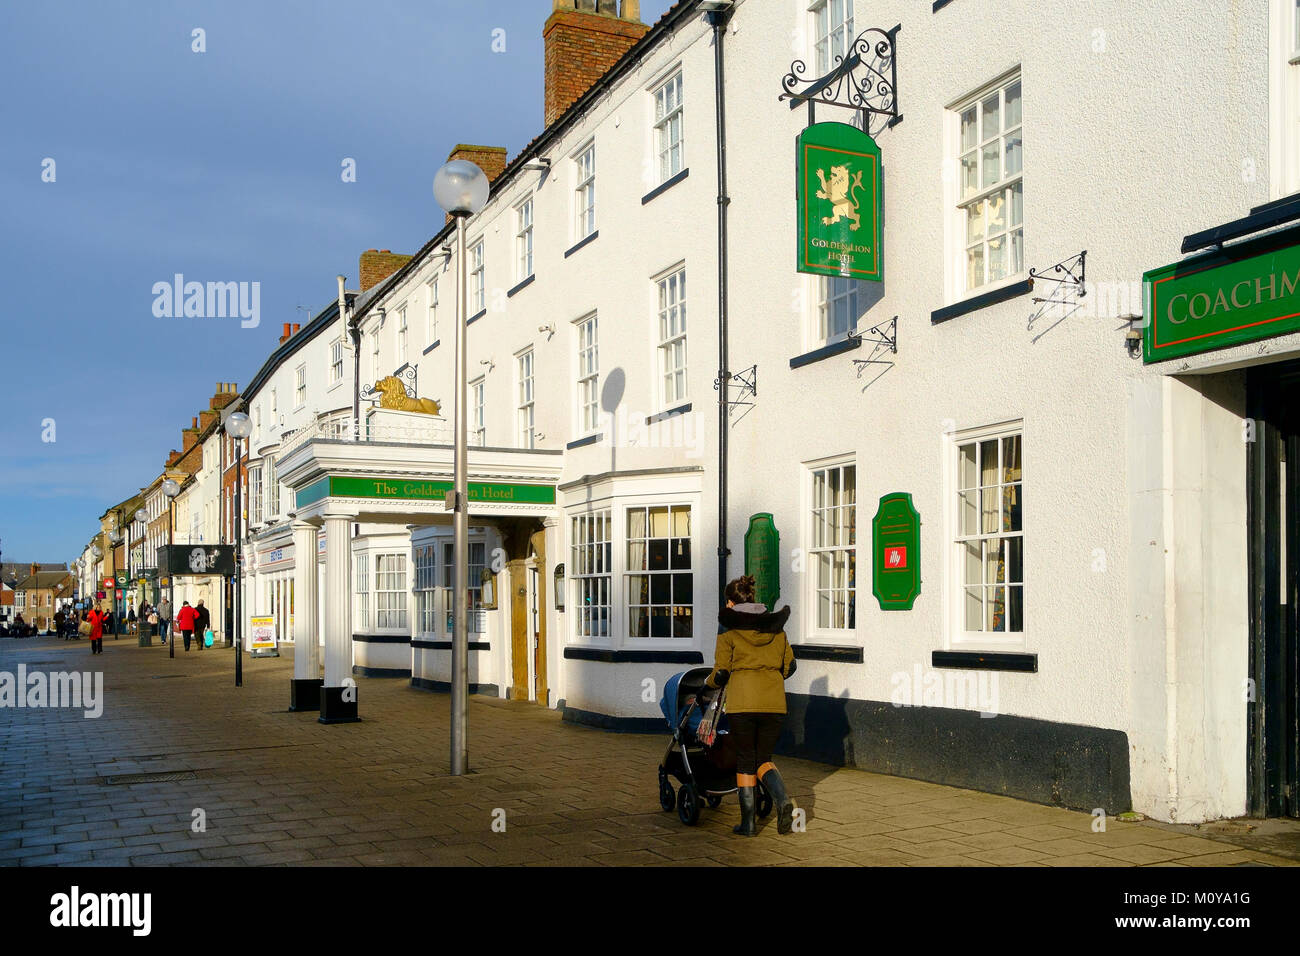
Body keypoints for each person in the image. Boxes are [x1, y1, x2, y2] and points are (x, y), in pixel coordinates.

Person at [705, 575, 797, 837]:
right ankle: (781, 800)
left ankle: (748, 824)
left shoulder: (729, 632)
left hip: (743, 703)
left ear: (731, 603)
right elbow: (790, 666)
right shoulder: (777, 630)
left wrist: (709, 683)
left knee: (746, 760)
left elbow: (721, 672)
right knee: (763, 759)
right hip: (774, 703)